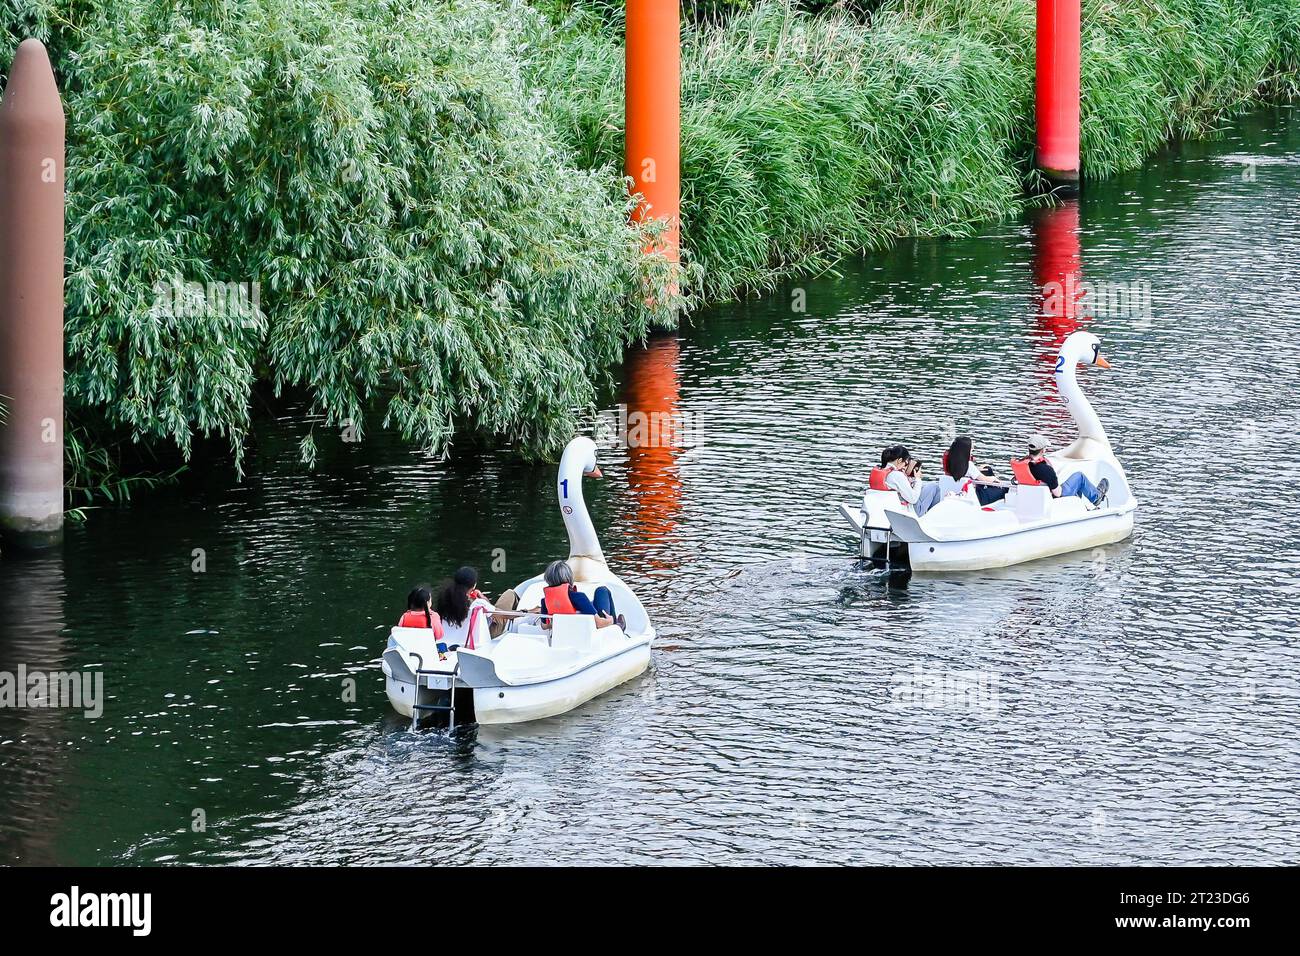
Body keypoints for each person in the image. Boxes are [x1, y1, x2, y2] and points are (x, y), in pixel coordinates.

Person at [535, 559, 626, 631]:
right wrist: (610, 621)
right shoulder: (579, 597)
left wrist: (559, 623)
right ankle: (617, 627)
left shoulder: (545, 601)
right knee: (602, 590)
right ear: (569, 577)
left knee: (591, 602)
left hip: (568, 631)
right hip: (592, 630)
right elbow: (599, 624)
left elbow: (544, 626)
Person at [1022, 433, 1109, 505]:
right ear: (1042, 451)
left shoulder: (1024, 465)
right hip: (1055, 499)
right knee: (1079, 477)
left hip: (1033, 497)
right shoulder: (1046, 470)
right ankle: (1096, 497)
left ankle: (1079, 507)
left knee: (1073, 485)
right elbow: (1058, 493)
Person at [871, 445, 942, 517]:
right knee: (935, 487)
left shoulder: (881, 470)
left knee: (925, 487)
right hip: (906, 512)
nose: (905, 466)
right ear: (899, 460)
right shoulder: (897, 475)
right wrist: (918, 479)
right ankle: (931, 518)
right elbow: (913, 499)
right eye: (906, 463)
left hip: (886, 508)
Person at [942, 435, 1008, 506]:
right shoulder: (968, 465)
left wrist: (977, 469)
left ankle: (989, 488)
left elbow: (965, 472)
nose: (972, 451)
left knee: (987, 469)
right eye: (971, 449)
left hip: (959, 489)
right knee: (1005, 489)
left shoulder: (950, 461)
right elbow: (985, 479)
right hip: (975, 497)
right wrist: (994, 478)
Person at [398, 585, 447, 660]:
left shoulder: (404, 617)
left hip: (409, 652)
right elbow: (439, 635)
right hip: (428, 653)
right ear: (427, 603)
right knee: (443, 646)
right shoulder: (433, 617)